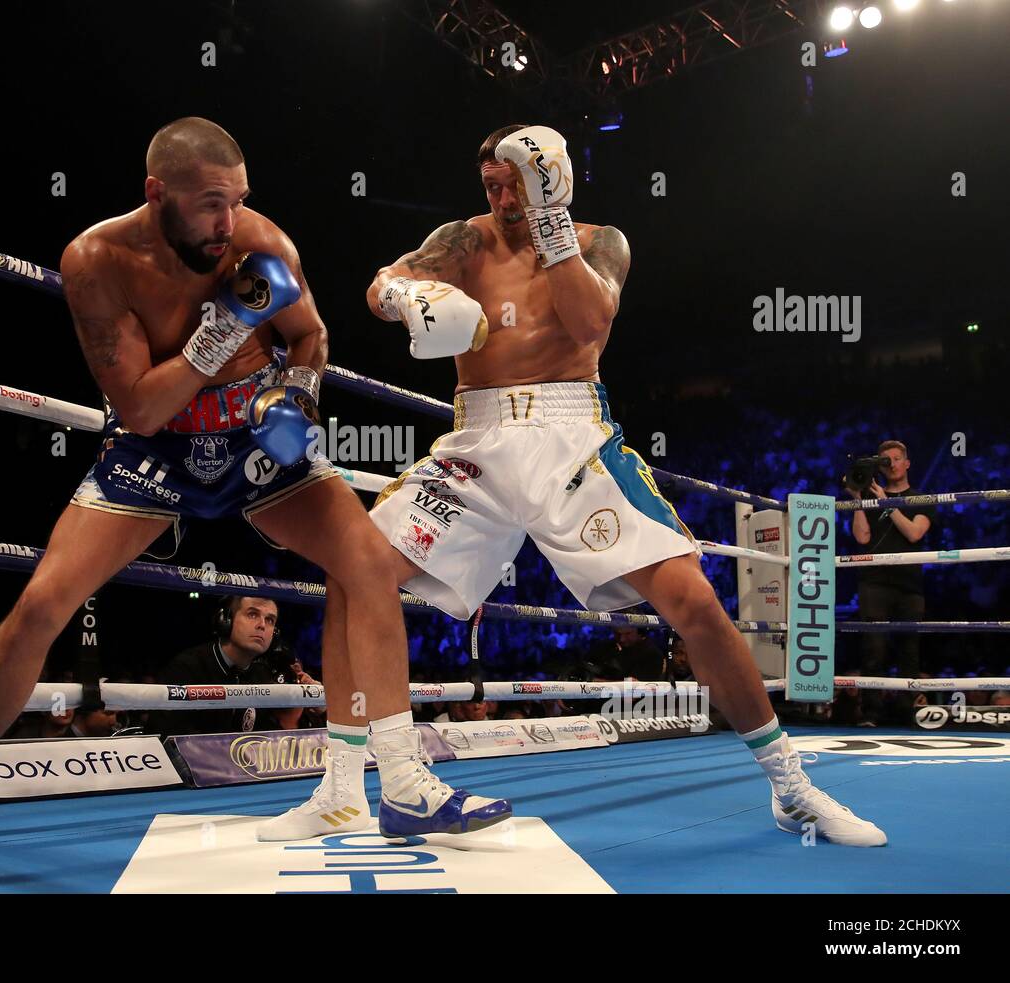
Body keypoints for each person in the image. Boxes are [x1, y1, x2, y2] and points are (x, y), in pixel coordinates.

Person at [0, 117, 507, 855]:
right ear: (158, 193)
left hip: (255, 434)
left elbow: (310, 336)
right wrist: (220, 331)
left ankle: (405, 783)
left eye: (239, 199)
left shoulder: (262, 243)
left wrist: (300, 398)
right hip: (156, 450)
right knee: (41, 603)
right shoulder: (96, 261)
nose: (228, 223)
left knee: (369, 567)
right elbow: (142, 406)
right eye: (211, 202)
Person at [271, 124, 886, 847]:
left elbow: (590, 318)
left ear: (553, 178)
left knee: (692, 598)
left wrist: (550, 219)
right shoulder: (464, 241)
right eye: (493, 186)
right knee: (354, 565)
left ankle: (792, 787)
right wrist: (408, 295)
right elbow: (381, 283)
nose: (503, 200)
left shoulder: (602, 243)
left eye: (516, 184)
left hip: (573, 436)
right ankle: (344, 786)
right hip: (476, 439)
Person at [846, 439, 935, 723]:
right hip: (874, 582)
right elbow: (862, 538)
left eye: (897, 459)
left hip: (909, 584)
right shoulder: (872, 499)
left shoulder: (921, 499)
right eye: (886, 461)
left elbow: (914, 533)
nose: (893, 464)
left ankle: (908, 713)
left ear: (907, 463)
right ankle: (871, 713)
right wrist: (860, 500)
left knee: (909, 650)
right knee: (874, 648)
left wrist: (888, 503)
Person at [152, 595, 303, 737]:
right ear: (226, 620)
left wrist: (303, 699)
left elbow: (267, 744)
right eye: (252, 614)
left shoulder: (262, 676)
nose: (262, 625)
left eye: (270, 619)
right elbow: (165, 733)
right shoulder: (187, 668)